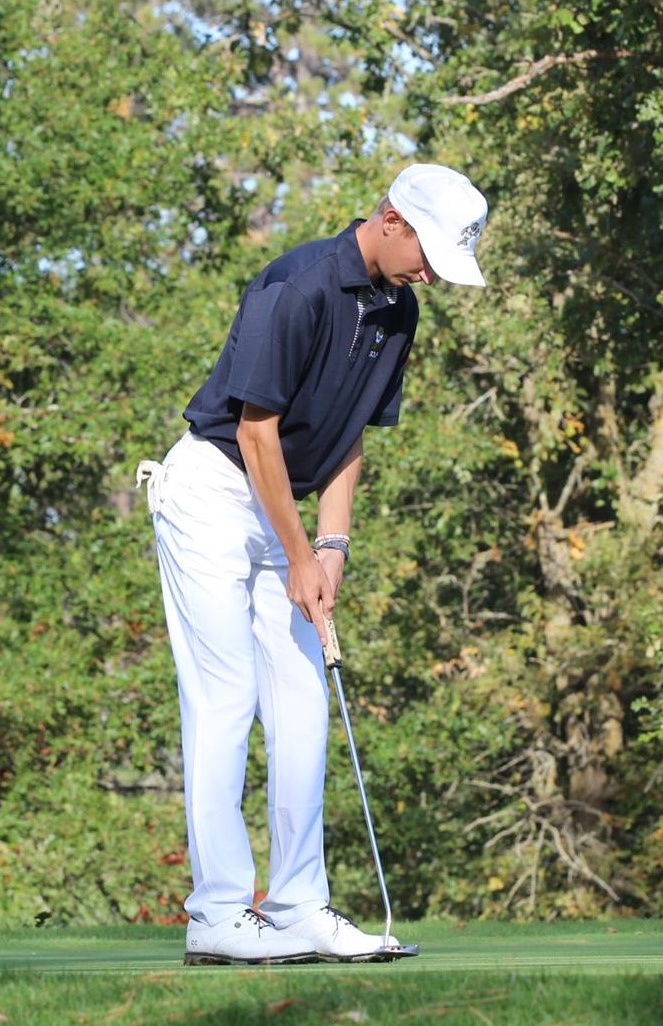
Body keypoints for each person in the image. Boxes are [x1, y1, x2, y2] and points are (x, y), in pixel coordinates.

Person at [138, 164, 489, 965]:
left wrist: (331, 549)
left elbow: (349, 438)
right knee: (225, 699)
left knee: (301, 702)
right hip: (214, 494)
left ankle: (298, 905)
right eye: (428, 249)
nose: (432, 270)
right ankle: (218, 914)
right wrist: (298, 553)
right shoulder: (295, 286)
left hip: (289, 511)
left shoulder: (401, 308)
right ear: (393, 219)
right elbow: (257, 434)